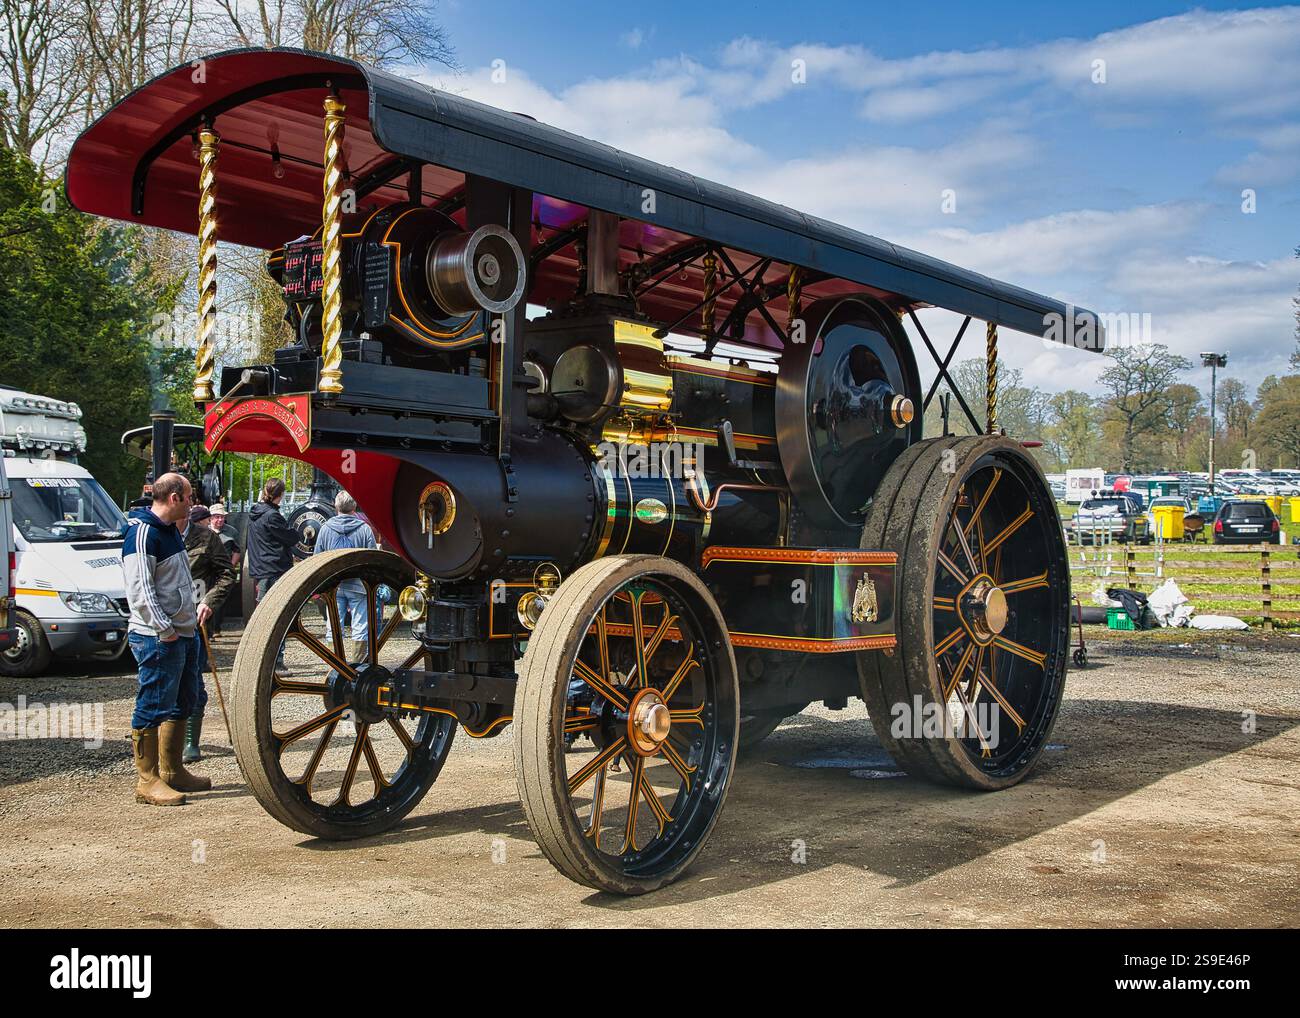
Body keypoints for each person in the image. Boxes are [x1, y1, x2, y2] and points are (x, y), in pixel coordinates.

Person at [120, 472, 212, 806]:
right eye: (189, 497)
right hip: (160, 637)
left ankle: (173, 770)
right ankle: (147, 781)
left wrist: (192, 612)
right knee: (153, 704)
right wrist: (166, 630)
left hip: (182, 634)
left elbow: (174, 582)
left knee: (184, 700)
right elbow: (141, 592)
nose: (193, 502)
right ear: (173, 498)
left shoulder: (168, 530)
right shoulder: (143, 533)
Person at [182, 504, 237, 763]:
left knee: (193, 679)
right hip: (161, 620)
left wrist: (210, 601)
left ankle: (191, 742)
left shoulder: (207, 538)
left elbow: (227, 574)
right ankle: (165, 744)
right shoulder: (155, 534)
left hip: (195, 620)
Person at [314, 490, 377, 661]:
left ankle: (334, 664)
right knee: (360, 625)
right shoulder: (364, 529)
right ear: (354, 506)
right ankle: (357, 664)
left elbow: (317, 558)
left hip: (334, 585)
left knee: (333, 625)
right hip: (358, 585)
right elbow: (373, 558)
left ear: (336, 506)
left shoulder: (325, 529)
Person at [246, 478, 296, 602]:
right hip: (274, 569)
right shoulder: (272, 516)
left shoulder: (254, 513)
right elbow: (290, 538)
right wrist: (295, 532)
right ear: (281, 494)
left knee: (264, 606)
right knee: (277, 607)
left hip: (260, 567)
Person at [205, 502, 240, 634]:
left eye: (222, 517)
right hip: (207, 570)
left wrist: (231, 566)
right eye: (216, 517)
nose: (220, 519)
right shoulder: (204, 531)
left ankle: (216, 627)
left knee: (221, 599)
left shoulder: (232, 532)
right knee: (207, 597)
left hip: (224, 569)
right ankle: (209, 630)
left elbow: (237, 551)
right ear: (211, 518)